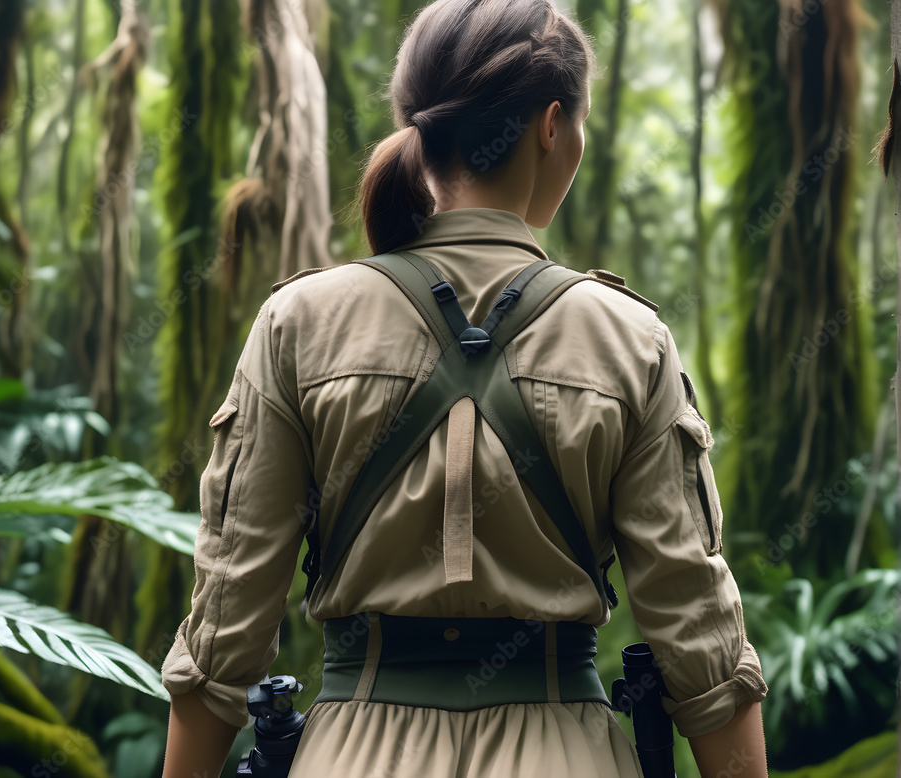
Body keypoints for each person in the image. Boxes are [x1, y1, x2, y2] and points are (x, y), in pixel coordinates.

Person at [160, 0, 770, 776]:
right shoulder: (629, 339)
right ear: (553, 126)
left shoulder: (298, 322)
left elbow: (223, 637)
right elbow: (701, 642)